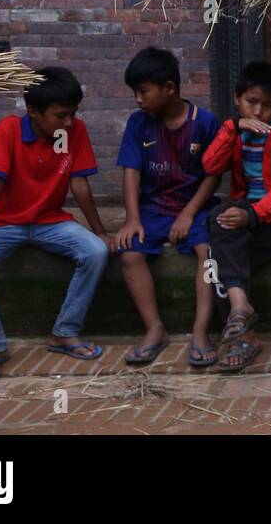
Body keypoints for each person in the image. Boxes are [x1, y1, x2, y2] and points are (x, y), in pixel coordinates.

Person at [0, 67, 116, 385]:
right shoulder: (9, 129)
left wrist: (99, 230)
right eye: (61, 115)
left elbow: (80, 185)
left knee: (96, 251)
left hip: (50, 221)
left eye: (73, 113)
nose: (69, 122)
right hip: (5, 225)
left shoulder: (75, 131)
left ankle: (65, 332)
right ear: (33, 111)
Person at [113, 47, 222, 367]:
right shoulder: (138, 124)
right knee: (130, 252)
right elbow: (130, 173)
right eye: (135, 93)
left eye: (143, 92)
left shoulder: (204, 122)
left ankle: (200, 331)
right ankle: (154, 329)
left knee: (208, 252)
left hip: (197, 207)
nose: (138, 100)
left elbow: (214, 176)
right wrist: (132, 219)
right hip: (154, 210)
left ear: (170, 88)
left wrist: (188, 214)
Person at [202, 62, 271, 373]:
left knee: (221, 252)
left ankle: (241, 330)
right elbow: (210, 166)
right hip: (249, 206)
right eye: (252, 102)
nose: (259, 111)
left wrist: (251, 217)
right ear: (237, 99)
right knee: (219, 222)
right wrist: (231, 129)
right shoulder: (234, 132)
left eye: (268, 105)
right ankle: (241, 314)